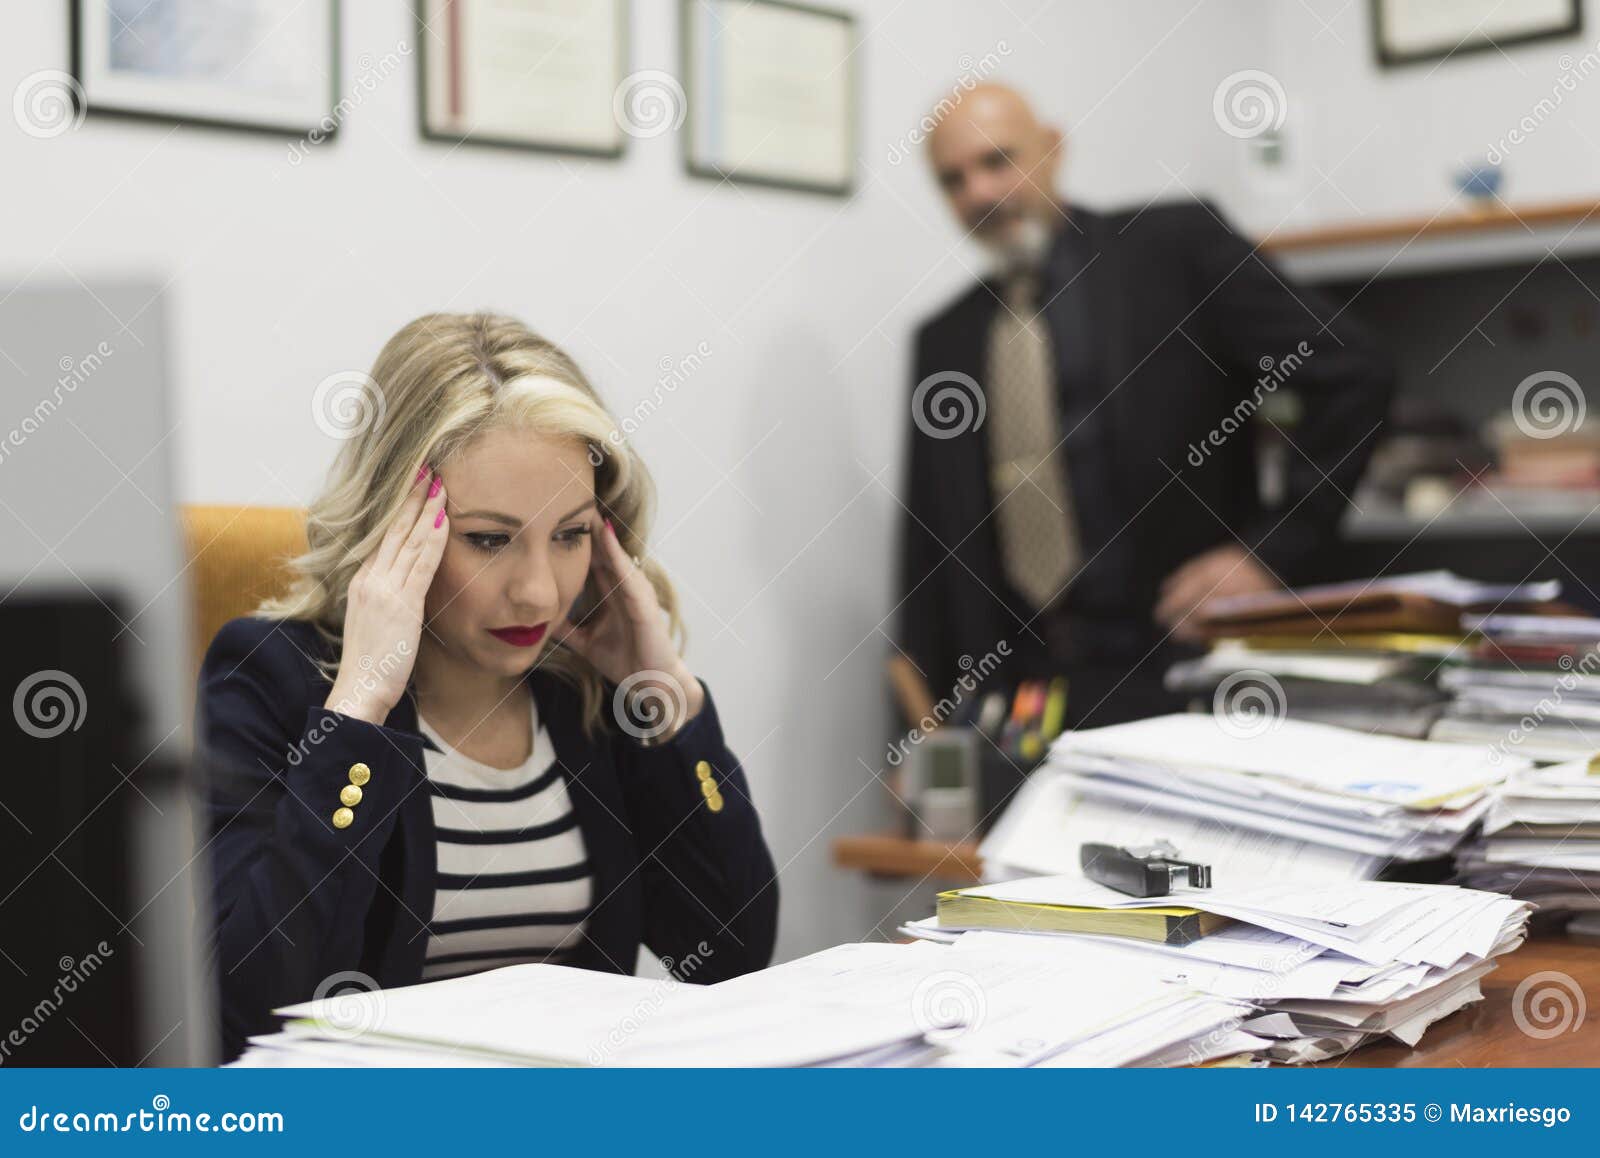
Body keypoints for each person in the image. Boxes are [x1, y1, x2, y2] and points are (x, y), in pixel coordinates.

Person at [196, 313, 778, 1061]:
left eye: (569, 535)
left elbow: (734, 953)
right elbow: (244, 1008)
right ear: (397, 526)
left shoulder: (585, 694)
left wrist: (669, 703)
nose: (538, 593)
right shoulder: (269, 679)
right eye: (490, 539)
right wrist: (358, 712)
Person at [894, 83, 1394, 725]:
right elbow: (928, 540)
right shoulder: (946, 340)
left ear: (1052, 149)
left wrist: (1269, 552)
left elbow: (1352, 371)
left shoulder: (1174, 251)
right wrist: (924, 726)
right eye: (953, 180)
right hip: (1026, 694)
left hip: (1185, 662)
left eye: (998, 162)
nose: (979, 194)